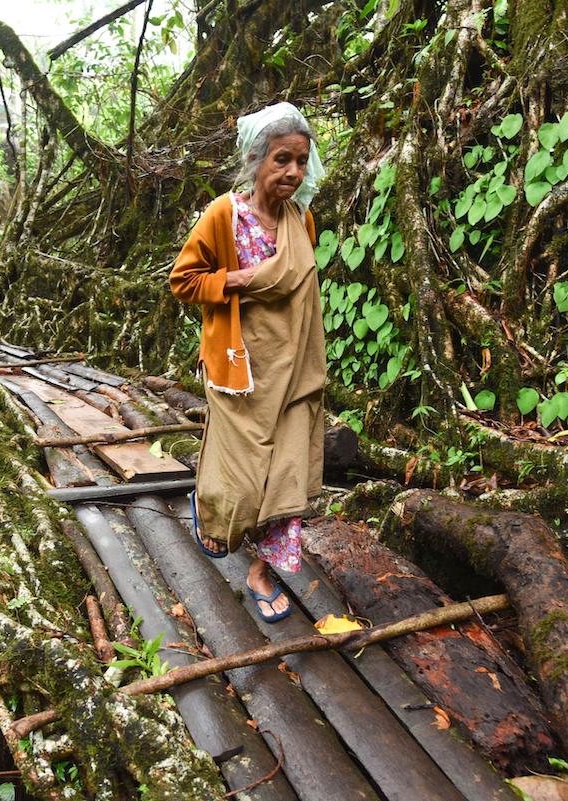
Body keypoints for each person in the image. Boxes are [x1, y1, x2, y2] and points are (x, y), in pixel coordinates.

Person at [168, 101, 326, 623]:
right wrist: (235, 281)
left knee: (286, 475)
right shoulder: (224, 215)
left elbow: (302, 295)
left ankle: (262, 570)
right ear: (256, 159)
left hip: (294, 370)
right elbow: (184, 281)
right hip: (240, 367)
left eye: (301, 161)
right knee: (238, 478)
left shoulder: (302, 218)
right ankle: (213, 518)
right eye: (282, 159)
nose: (293, 172)